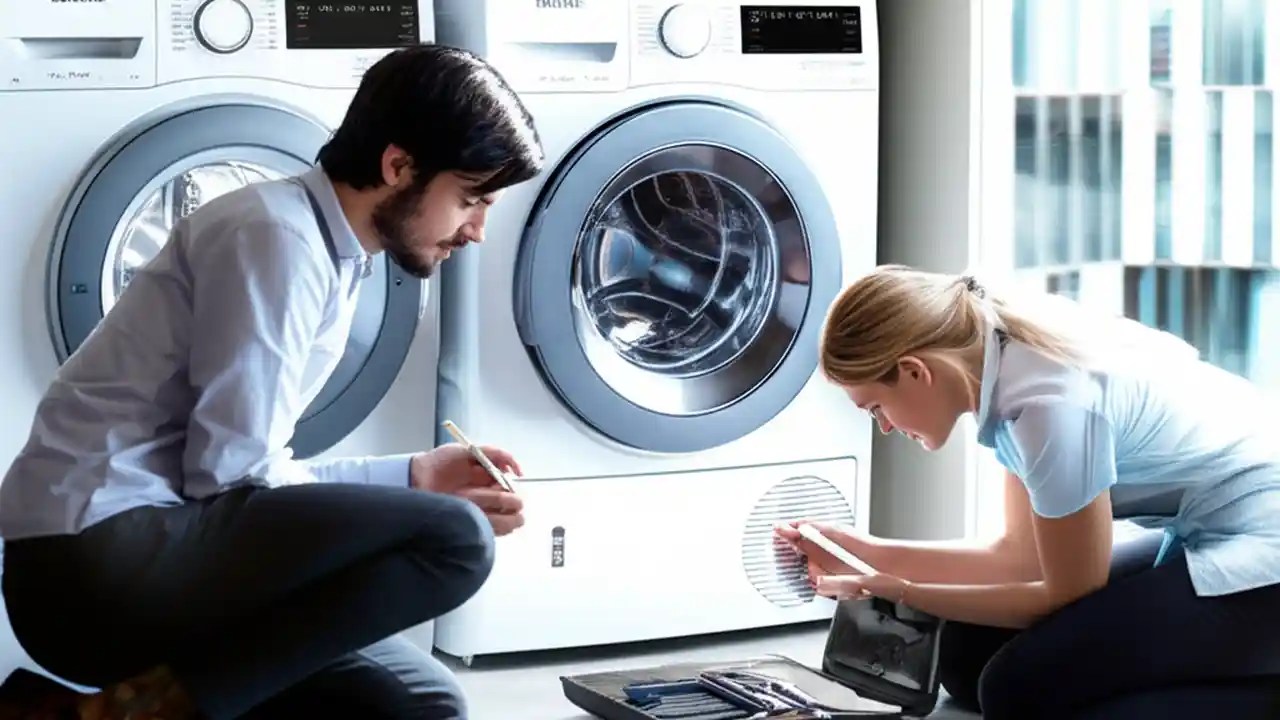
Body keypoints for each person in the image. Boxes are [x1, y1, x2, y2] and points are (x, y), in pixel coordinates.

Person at [0, 44, 545, 719]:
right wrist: (416, 498)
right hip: (90, 563)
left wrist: (414, 476)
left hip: (168, 544)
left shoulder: (332, 252)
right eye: (470, 198)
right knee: (457, 538)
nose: (478, 230)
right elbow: (232, 476)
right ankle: (131, 715)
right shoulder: (275, 234)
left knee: (419, 702)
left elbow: (245, 481)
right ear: (398, 166)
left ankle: (81, 710)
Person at [776, 264, 1280, 719]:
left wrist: (901, 591)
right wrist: (862, 553)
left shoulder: (1048, 408)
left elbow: (1067, 592)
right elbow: (1018, 557)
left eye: (875, 409)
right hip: (1211, 529)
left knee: (1018, 693)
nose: (883, 427)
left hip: (1262, 556)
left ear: (914, 371)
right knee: (965, 655)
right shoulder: (1002, 362)